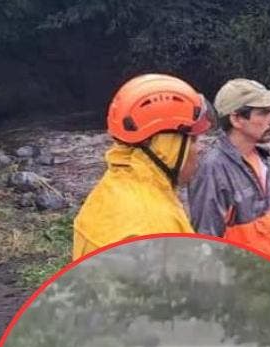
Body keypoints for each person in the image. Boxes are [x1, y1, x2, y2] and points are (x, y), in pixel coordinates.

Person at [72, 74, 215, 260]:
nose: (200, 148)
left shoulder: (108, 190)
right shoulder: (154, 225)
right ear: (164, 145)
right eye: (193, 139)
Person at [187, 78, 270, 282]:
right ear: (236, 119)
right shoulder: (212, 170)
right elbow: (207, 247)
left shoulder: (262, 160)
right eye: (263, 112)